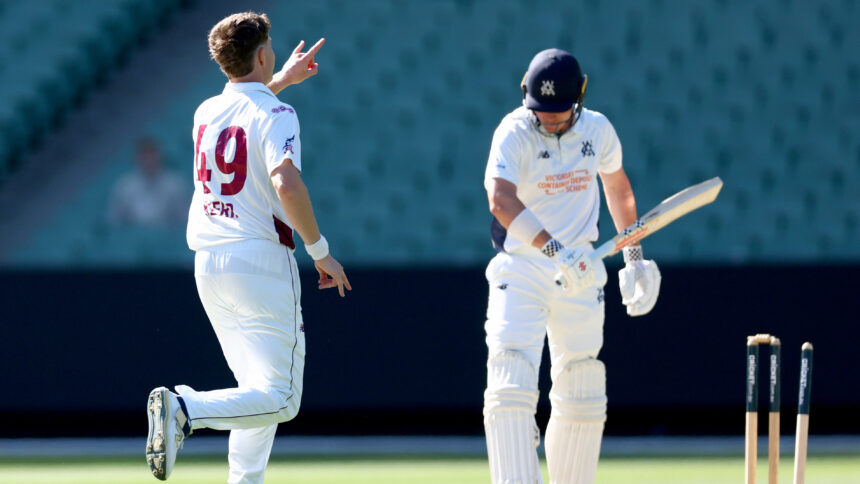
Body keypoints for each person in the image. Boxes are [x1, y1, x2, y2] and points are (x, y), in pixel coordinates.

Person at [145, 12, 349, 483]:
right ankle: (184, 408)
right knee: (281, 399)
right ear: (262, 54)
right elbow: (286, 182)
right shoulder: (279, 114)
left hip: (210, 264)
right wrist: (320, 251)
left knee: (254, 392)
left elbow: (245, 110)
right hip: (259, 260)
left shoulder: (205, 111)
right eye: (270, 45)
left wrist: (279, 80)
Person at [481, 48, 661, 483]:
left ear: (580, 97)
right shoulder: (514, 132)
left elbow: (619, 191)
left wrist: (635, 259)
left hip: (582, 270)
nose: (552, 122)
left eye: (562, 114)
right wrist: (555, 250)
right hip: (524, 267)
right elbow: (500, 199)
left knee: (582, 385)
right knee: (510, 383)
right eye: (543, 113)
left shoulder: (598, 131)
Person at [108, 137, 187, 227]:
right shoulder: (124, 187)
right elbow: (114, 222)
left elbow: (184, 220)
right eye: (145, 154)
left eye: (152, 153)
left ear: (160, 155)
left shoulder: (175, 185)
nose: (149, 159)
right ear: (137, 157)